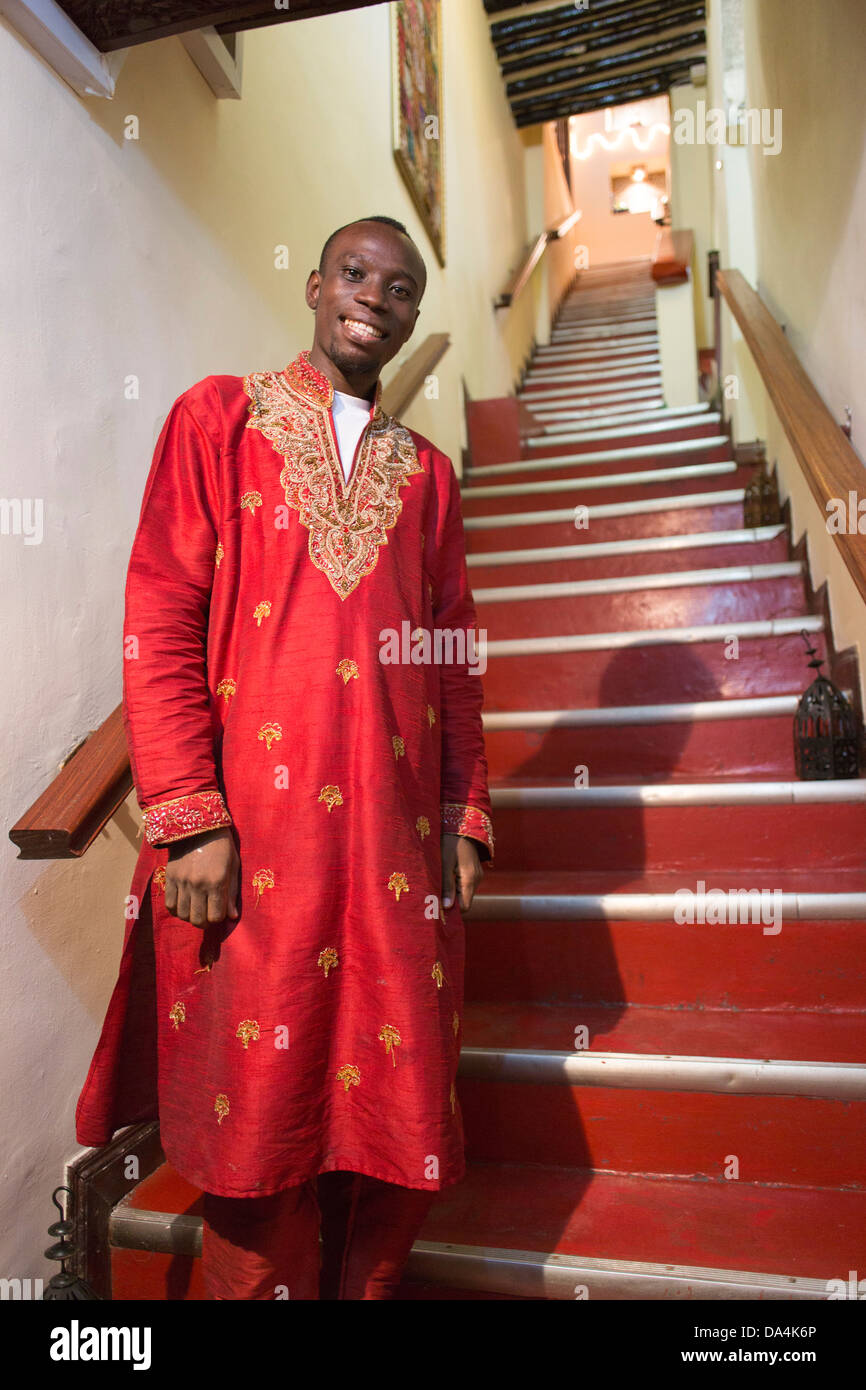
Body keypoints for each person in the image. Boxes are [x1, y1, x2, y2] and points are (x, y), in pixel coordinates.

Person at [75, 215, 494, 1300]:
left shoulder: (432, 477)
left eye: (400, 288)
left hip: (395, 857)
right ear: (314, 286)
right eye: (355, 273)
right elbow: (159, 611)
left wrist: (464, 816)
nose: (375, 296)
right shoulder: (217, 417)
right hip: (254, 849)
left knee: (392, 1127)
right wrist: (187, 812)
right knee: (258, 1135)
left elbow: (451, 658)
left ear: (412, 318)